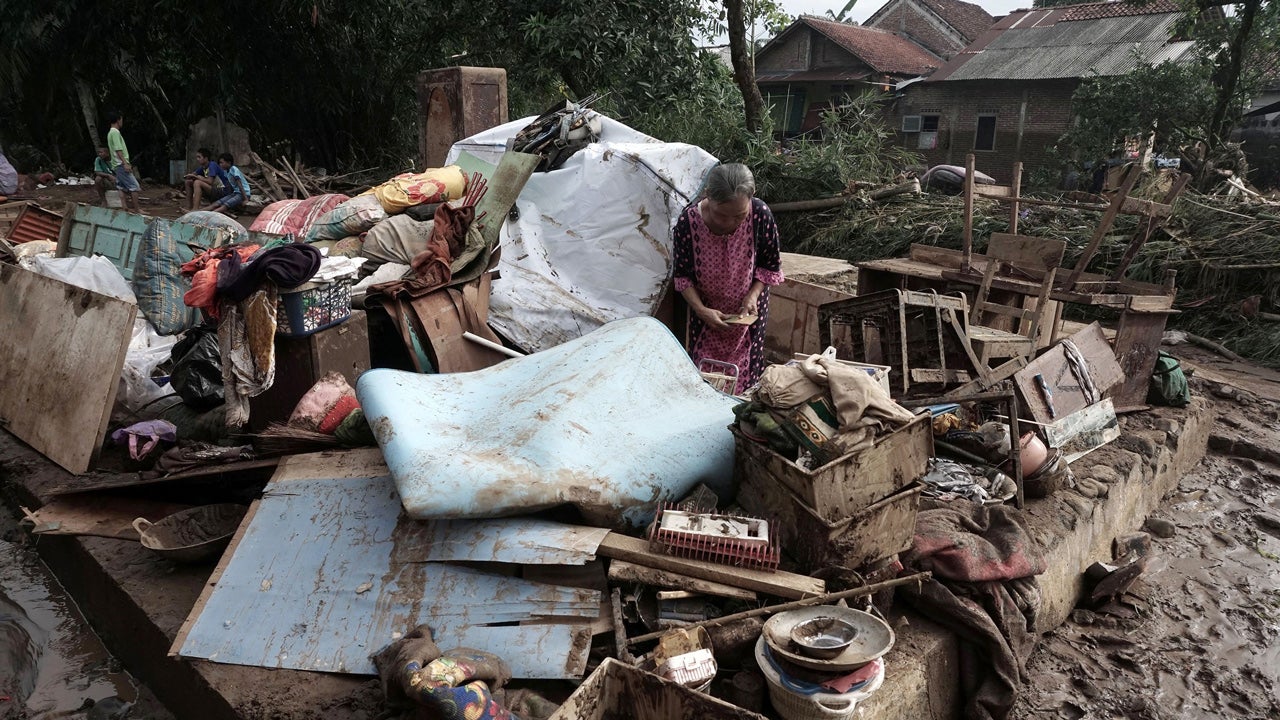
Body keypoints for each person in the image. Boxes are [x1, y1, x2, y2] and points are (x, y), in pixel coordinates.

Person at [672, 163, 784, 392]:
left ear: (751, 198)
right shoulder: (687, 223)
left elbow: (769, 265)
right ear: (707, 197)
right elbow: (683, 277)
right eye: (721, 215)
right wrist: (702, 310)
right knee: (702, 376)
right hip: (706, 315)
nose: (729, 223)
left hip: (748, 314)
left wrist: (752, 296)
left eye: (739, 216)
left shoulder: (760, 215)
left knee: (746, 373)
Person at [105, 111, 141, 212]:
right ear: (118, 120)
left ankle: (124, 206)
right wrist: (125, 163)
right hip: (120, 164)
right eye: (121, 120)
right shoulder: (115, 133)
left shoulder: (110, 133)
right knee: (134, 186)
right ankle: (137, 209)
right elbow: (118, 149)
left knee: (121, 186)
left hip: (116, 164)